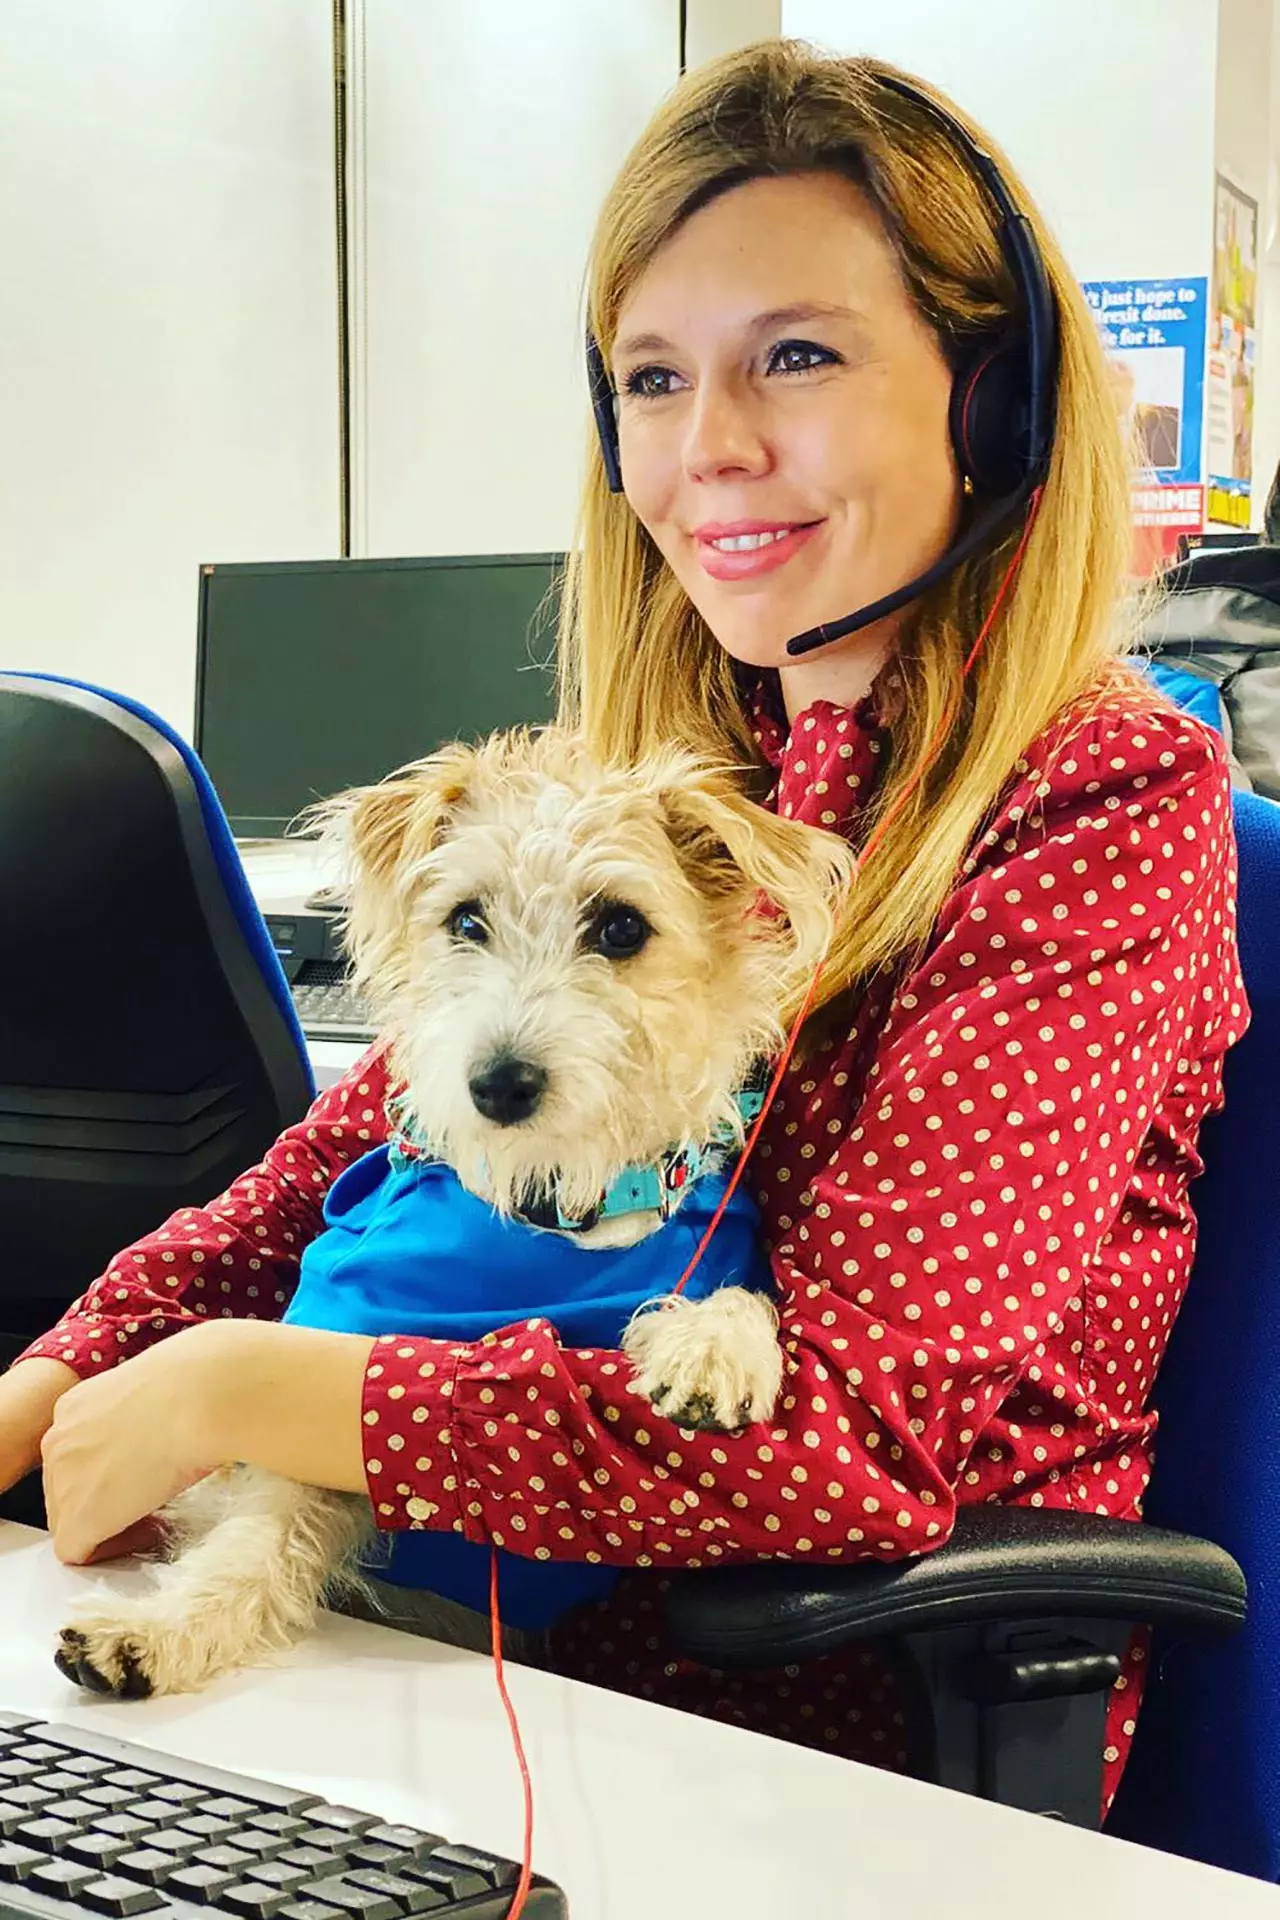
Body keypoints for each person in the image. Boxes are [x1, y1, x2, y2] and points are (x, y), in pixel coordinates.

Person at [4, 41, 1246, 1807]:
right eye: (651, 379)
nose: (709, 447)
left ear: (996, 402)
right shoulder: (660, 767)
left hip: (818, 1713)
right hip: (437, 1639)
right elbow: (355, 1156)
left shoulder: (1099, 802)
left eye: (796, 357)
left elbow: (845, 1454)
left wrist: (233, 1394)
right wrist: (68, 1364)